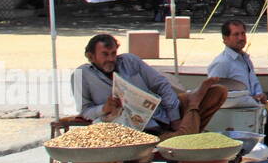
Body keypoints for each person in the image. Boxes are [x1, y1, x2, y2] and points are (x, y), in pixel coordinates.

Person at [72, 34, 227, 140]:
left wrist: (175, 117)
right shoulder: (81, 74)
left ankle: (189, 114)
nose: (111, 59)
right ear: (91, 56)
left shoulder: (129, 61)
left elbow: (161, 84)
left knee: (218, 92)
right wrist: (103, 109)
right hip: (139, 131)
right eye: (105, 54)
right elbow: (84, 111)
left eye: (113, 53)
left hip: (162, 113)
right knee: (185, 138)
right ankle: (194, 104)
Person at [208, 20, 268, 145]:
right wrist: (247, 97)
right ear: (225, 39)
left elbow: (253, 82)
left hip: (254, 110)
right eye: (236, 34)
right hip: (237, 115)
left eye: (243, 34)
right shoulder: (222, 62)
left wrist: (259, 94)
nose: (241, 38)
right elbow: (214, 94)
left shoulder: (245, 59)